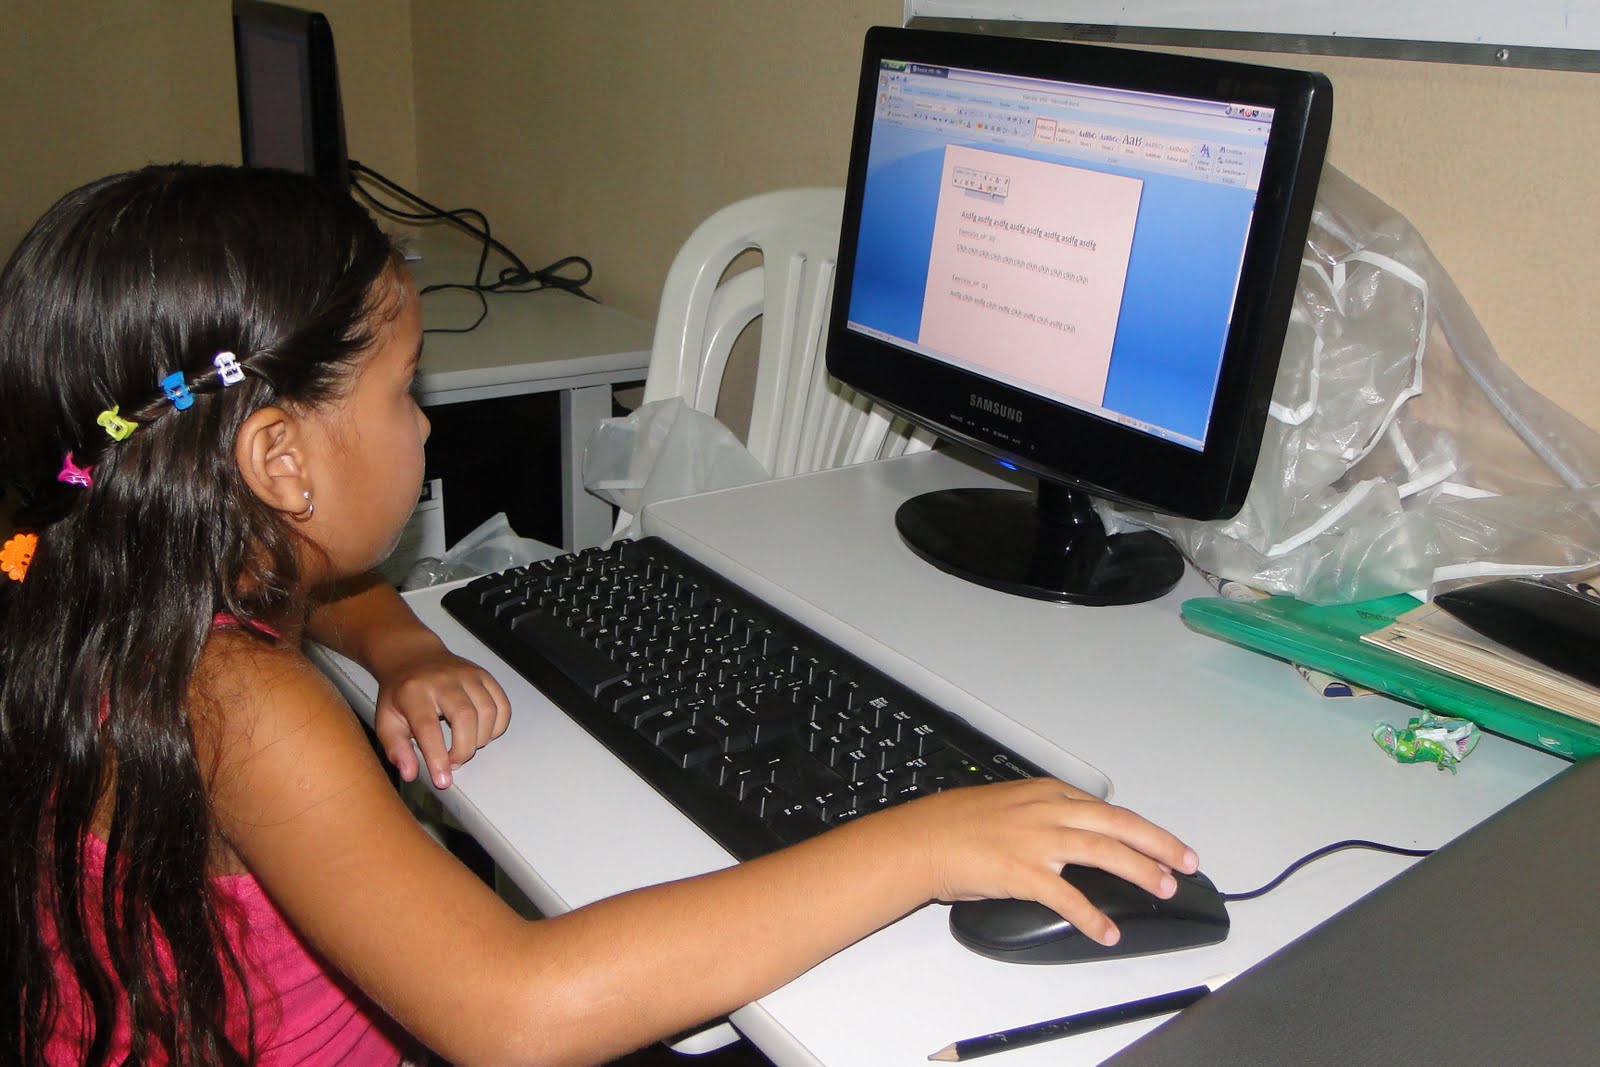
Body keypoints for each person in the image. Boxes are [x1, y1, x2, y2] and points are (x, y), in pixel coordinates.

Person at [0, 165, 1200, 1067]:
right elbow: (513, 1008)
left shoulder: (102, 581)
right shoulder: (247, 709)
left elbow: (315, 586)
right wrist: (923, 841)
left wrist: (405, 642)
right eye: (402, 389)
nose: (425, 423)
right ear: (279, 460)